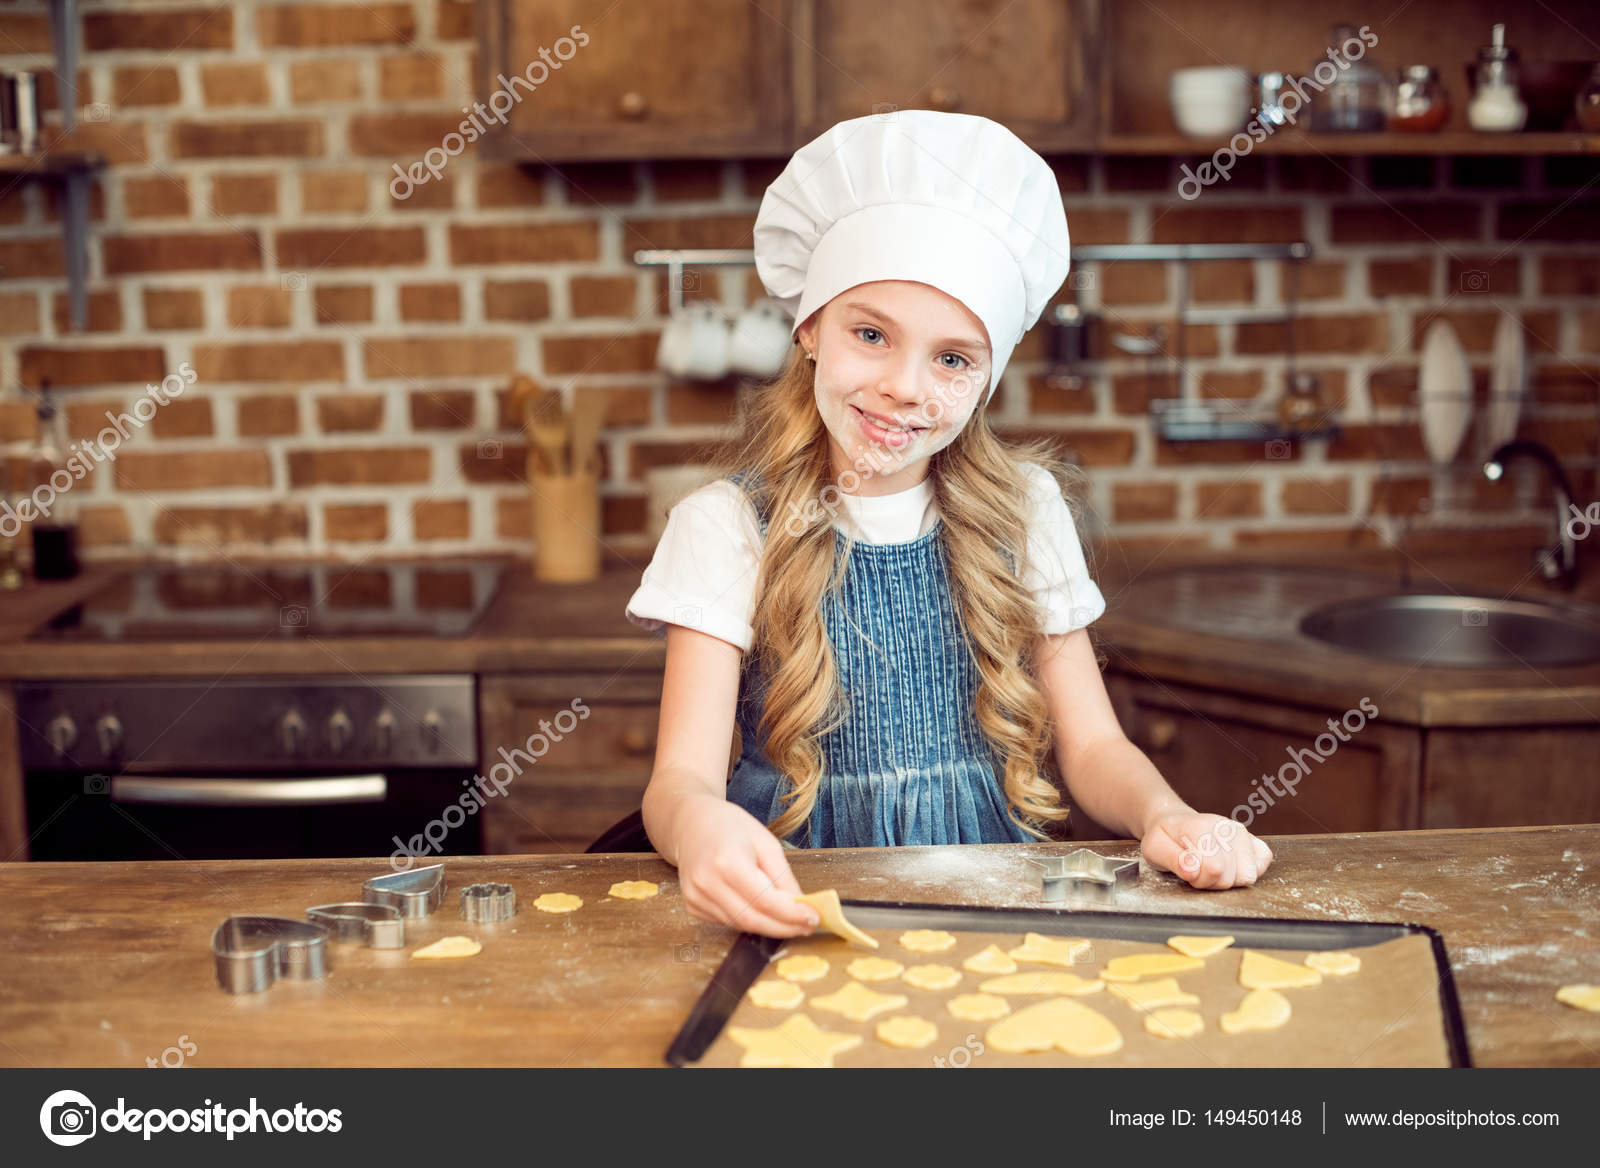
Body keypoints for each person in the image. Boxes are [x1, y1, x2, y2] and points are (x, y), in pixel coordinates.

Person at [625, 110, 1273, 939]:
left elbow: (1095, 750)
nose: (904, 386)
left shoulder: (1026, 512)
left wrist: (1164, 813)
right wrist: (697, 829)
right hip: (794, 905)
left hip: (990, 912)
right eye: (870, 334)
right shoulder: (727, 527)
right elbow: (679, 781)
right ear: (811, 330)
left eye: (952, 358)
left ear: (987, 377)